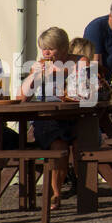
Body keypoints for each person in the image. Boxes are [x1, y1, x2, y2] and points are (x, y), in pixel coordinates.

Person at [21, 27, 75, 208]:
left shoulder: (74, 65)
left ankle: (69, 189)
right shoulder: (40, 67)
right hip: (47, 118)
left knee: (80, 139)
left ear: (63, 49)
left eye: (51, 48)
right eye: (44, 48)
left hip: (72, 117)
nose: (46, 52)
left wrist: (60, 73)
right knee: (58, 143)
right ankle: (55, 193)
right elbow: (22, 97)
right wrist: (35, 75)